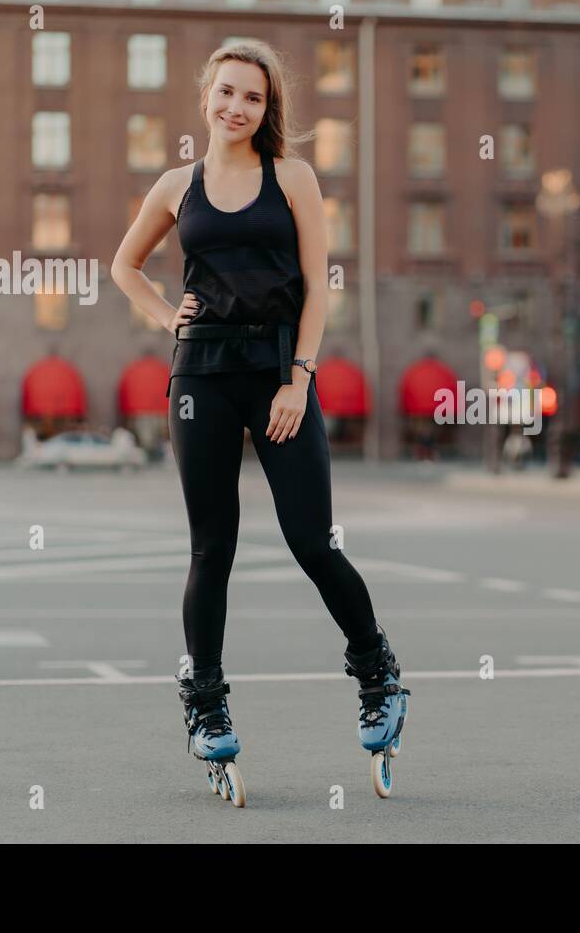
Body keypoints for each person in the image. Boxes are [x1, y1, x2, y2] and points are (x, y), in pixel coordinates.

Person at [111, 40, 409, 804]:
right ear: (206, 95)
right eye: (227, 92)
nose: (237, 107)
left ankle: (378, 677)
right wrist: (160, 315)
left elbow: (318, 286)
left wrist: (298, 379)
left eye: (253, 98)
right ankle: (206, 709)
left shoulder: (295, 179)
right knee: (212, 547)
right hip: (200, 375)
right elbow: (123, 264)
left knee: (313, 541)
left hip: (278, 372)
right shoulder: (179, 185)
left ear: (269, 109)